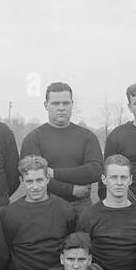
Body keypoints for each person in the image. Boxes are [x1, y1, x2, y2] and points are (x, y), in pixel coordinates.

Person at [0, 155, 77, 270]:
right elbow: (4, 253)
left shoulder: (65, 210)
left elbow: (72, 248)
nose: (35, 186)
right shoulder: (9, 213)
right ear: (21, 180)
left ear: (48, 178)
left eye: (39, 180)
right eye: (29, 181)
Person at [19, 81, 104, 213]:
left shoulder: (87, 137)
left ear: (72, 104)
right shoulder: (33, 139)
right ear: (46, 105)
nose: (61, 108)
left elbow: (95, 170)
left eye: (66, 103)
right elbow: (32, 176)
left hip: (81, 207)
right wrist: (71, 190)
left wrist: (55, 173)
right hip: (44, 206)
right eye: (55, 103)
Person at [75, 155, 136, 270]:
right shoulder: (89, 215)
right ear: (104, 179)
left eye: (123, 177)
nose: (119, 182)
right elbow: (81, 253)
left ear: (130, 180)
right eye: (113, 177)